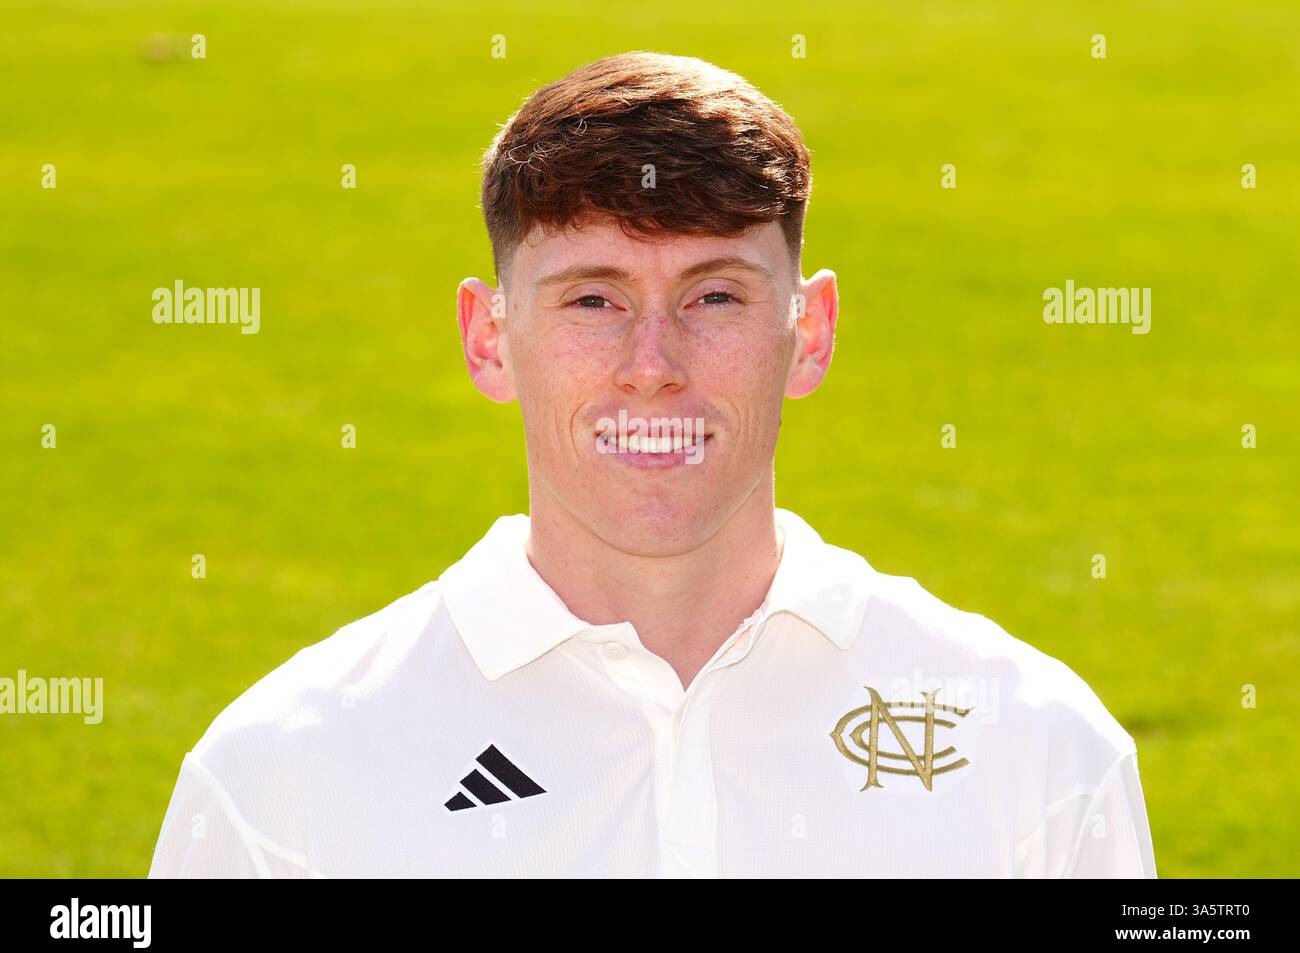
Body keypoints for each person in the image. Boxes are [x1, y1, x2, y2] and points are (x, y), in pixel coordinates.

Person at [149, 50, 1156, 877]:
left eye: (714, 296)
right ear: (487, 337)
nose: (652, 367)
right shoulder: (285, 774)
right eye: (593, 300)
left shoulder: (1036, 747)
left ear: (809, 331)